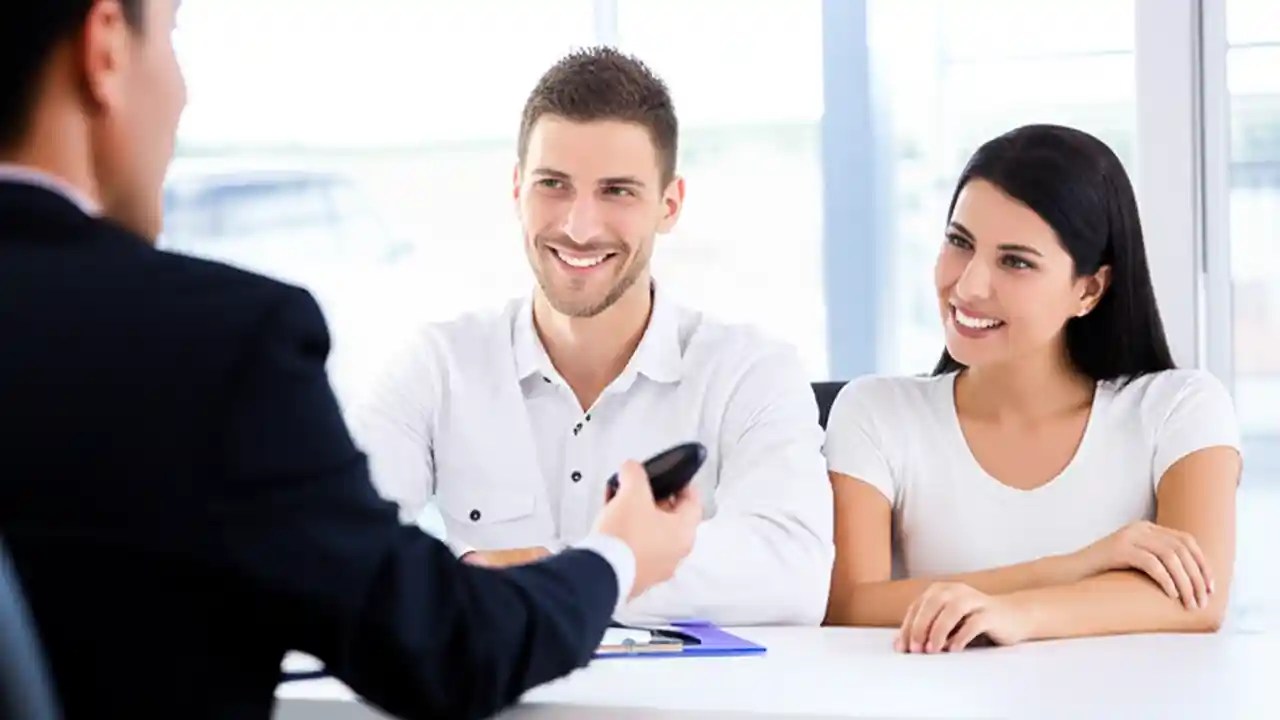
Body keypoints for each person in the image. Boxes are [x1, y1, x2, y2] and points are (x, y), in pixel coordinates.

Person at [0, 2, 700, 718]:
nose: (182, 95)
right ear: (106, 46)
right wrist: (613, 557)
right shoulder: (217, 346)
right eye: (173, 35)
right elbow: (443, 643)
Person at [353, 46, 833, 626]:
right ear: (516, 189)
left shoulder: (752, 371)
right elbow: (347, 551)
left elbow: (793, 575)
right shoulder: (436, 365)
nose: (579, 227)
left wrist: (552, 569)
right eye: (553, 184)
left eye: (617, 191)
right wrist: (627, 563)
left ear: (669, 204)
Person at [822, 124, 1243, 652]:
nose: (970, 285)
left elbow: (1196, 600)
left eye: (1016, 261)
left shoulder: (1180, 409)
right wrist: (1082, 564)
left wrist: (1013, 614)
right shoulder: (875, 412)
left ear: (1089, 289)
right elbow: (850, 606)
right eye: (959, 242)